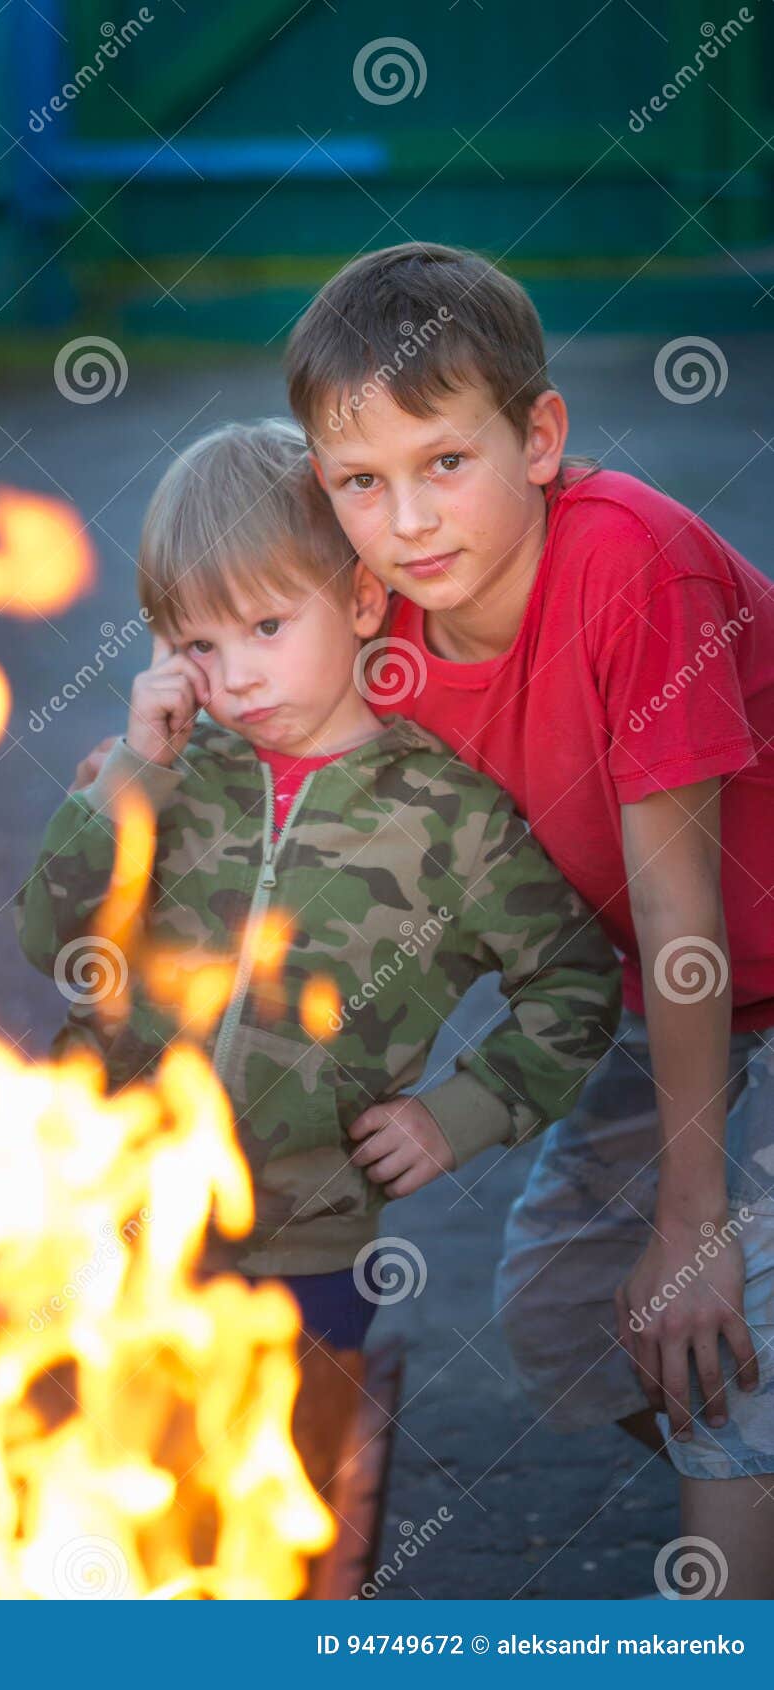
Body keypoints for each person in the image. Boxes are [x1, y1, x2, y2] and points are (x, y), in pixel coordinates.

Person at [278, 239, 774, 1597]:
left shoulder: (628, 569)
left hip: (718, 971)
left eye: (445, 460)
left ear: (537, 436)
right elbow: (250, 677)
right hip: (687, 1004)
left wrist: (693, 1220)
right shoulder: (380, 617)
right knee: (560, 1315)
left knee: (727, 1333)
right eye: (359, 483)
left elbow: (681, 922)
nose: (409, 518)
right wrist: (148, 725)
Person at [16, 418, 620, 1354]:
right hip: (107, 1211)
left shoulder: (447, 813)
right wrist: (131, 777)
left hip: (308, 1252)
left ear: (360, 601)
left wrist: (457, 1114)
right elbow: (48, 938)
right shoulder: (157, 776)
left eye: (267, 626)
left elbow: (577, 983)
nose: (239, 675)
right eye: (198, 645)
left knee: (294, 1478)